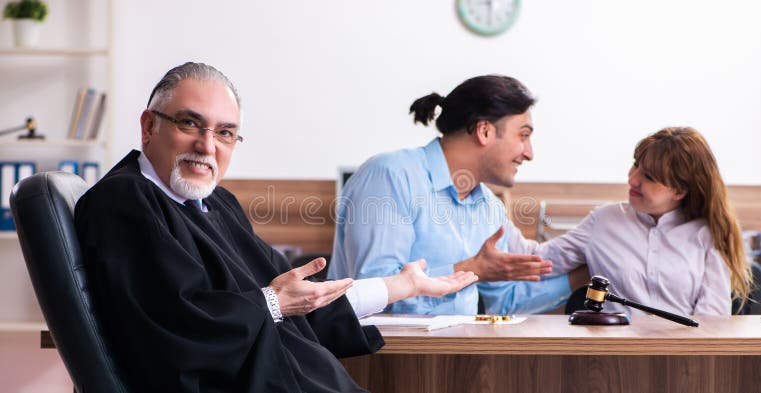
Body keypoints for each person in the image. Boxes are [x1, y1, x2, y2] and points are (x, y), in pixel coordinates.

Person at [74, 62, 477, 392]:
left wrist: (399, 286)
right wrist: (273, 302)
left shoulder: (216, 203)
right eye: (190, 124)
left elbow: (295, 302)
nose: (207, 145)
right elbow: (176, 328)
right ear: (149, 127)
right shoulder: (124, 201)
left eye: (225, 133)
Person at [328, 75, 583, 315]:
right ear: (484, 131)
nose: (529, 153)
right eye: (523, 136)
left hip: (454, 357)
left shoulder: (489, 207)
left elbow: (505, 303)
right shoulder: (391, 176)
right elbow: (373, 294)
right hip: (378, 358)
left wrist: (585, 274)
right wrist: (472, 269)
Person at [508, 127, 752, 315]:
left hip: (683, 363)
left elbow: (713, 320)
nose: (632, 179)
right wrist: (488, 211)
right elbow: (540, 260)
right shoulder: (604, 220)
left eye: (648, 176)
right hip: (614, 362)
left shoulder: (709, 234)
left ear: (679, 191)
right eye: (636, 165)